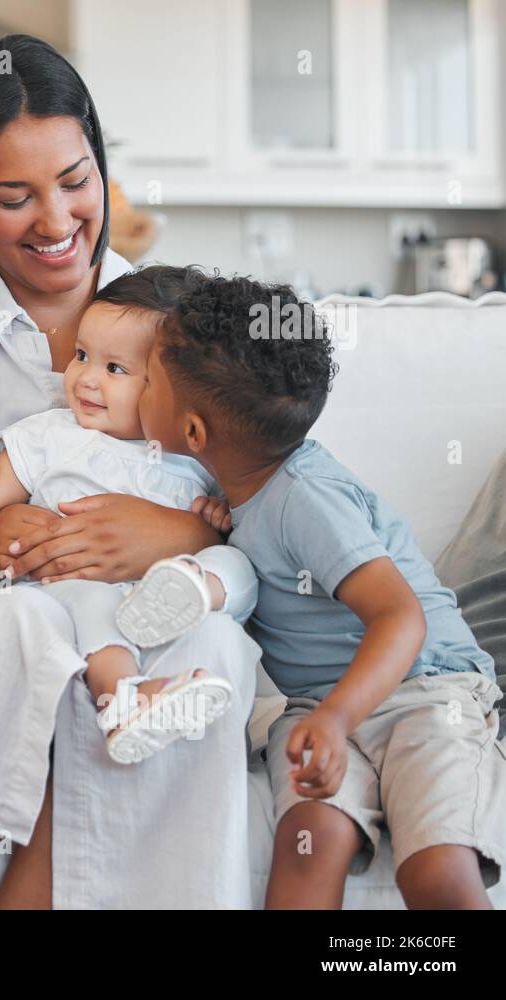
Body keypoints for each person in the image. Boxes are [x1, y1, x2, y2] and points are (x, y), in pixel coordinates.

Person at [0, 34, 261, 907]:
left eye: (77, 181)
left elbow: (281, 519)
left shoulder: (188, 321)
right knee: (34, 626)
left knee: (210, 643)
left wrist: (176, 531)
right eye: (12, 196)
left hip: (144, 620)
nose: (59, 222)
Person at [138, 268, 504, 909]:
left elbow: (401, 618)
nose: (135, 387)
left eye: (144, 379)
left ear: (194, 432)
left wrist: (339, 718)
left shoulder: (308, 497)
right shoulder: (237, 487)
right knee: (309, 842)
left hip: (422, 689)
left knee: (438, 870)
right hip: (314, 708)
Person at [0, 266, 261, 764]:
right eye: (82, 356)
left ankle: (192, 590)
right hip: (66, 589)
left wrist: (212, 523)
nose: (86, 378)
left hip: (158, 605)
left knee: (237, 565)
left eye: (116, 369)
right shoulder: (56, 434)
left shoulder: (193, 457)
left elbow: (242, 525)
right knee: (92, 601)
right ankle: (125, 697)